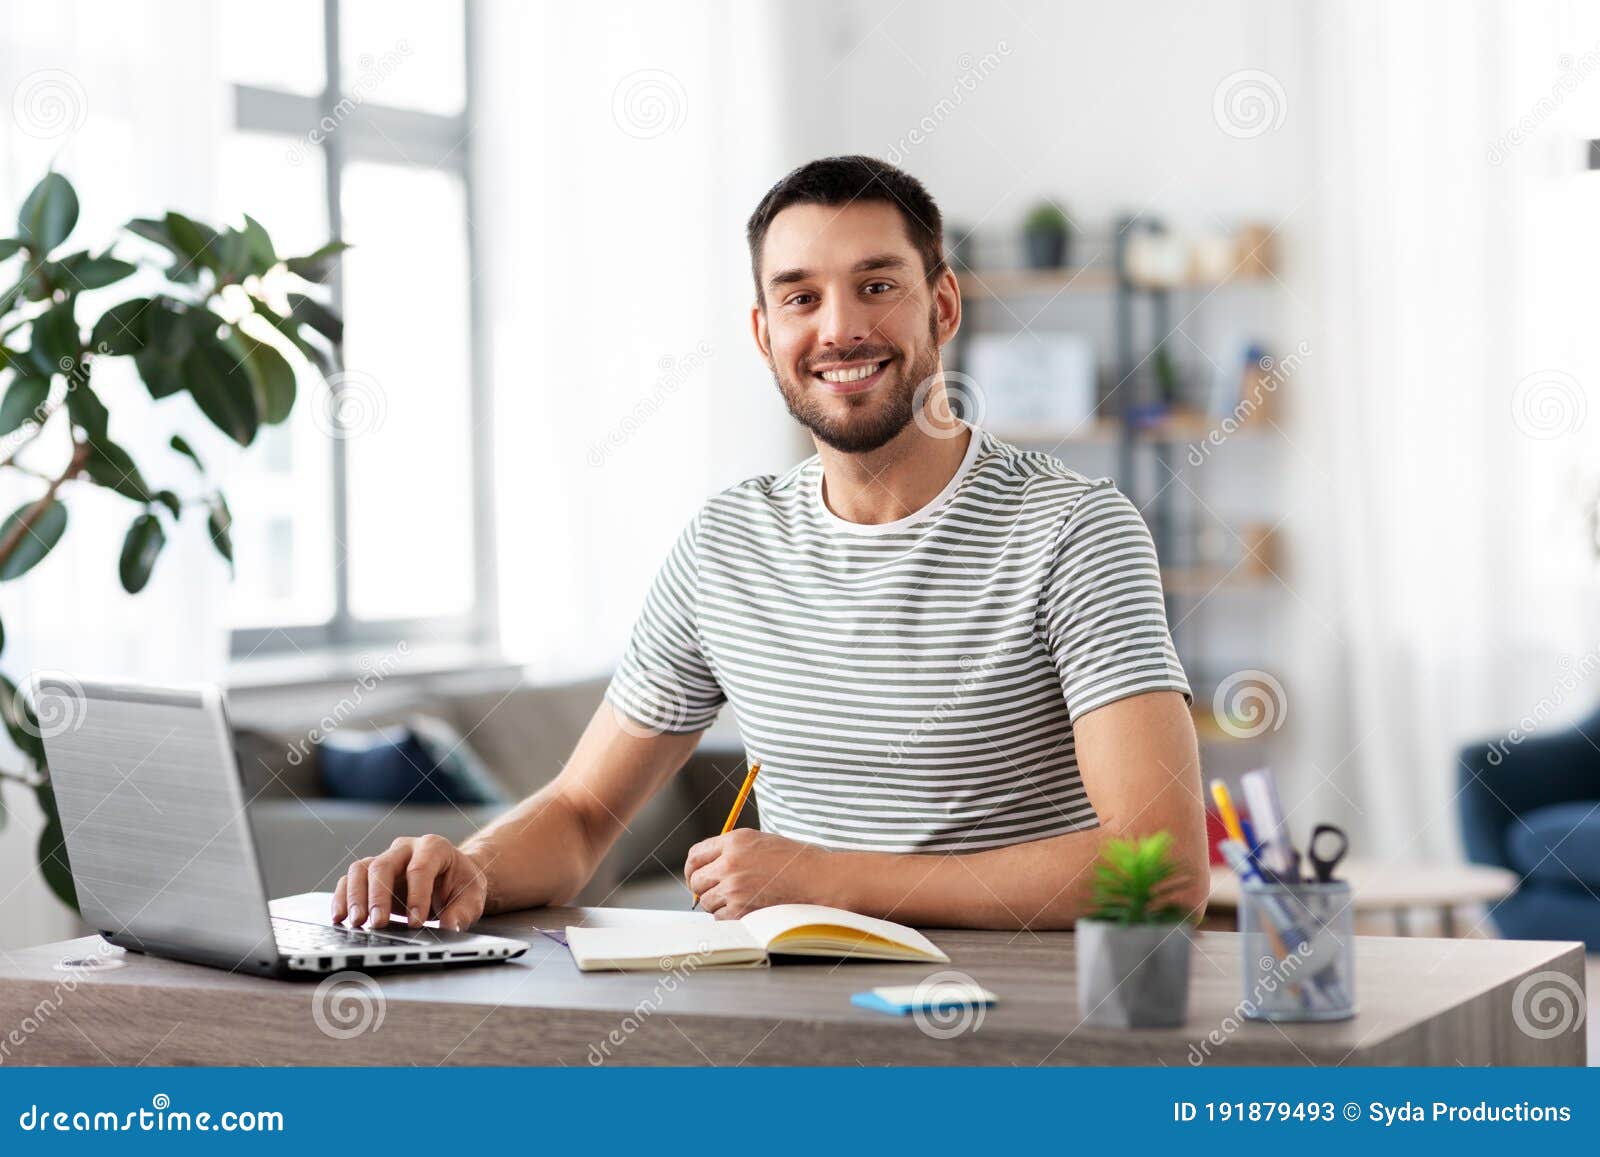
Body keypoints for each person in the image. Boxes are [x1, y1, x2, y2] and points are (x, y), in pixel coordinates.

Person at [331, 155, 1207, 933]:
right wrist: (472, 867)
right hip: (790, 1022)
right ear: (765, 335)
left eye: (876, 285)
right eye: (800, 297)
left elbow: (1159, 868)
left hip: (1016, 1027)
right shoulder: (725, 544)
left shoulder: (1074, 531)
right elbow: (585, 809)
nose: (838, 330)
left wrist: (833, 880)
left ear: (942, 307)